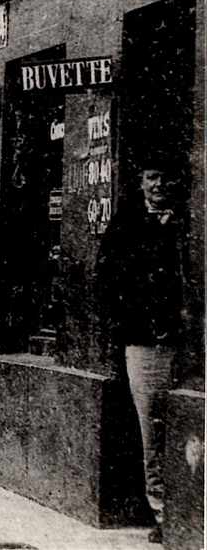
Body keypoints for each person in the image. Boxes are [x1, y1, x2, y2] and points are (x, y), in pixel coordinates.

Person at [98, 165, 193, 543]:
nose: (160, 184)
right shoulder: (127, 224)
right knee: (153, 428)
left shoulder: (188, 220)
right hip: (147, 343)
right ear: (140, 181)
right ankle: (164, 513)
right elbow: (108, 280)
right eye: (153, 176)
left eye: (166, 176)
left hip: (187, 344)